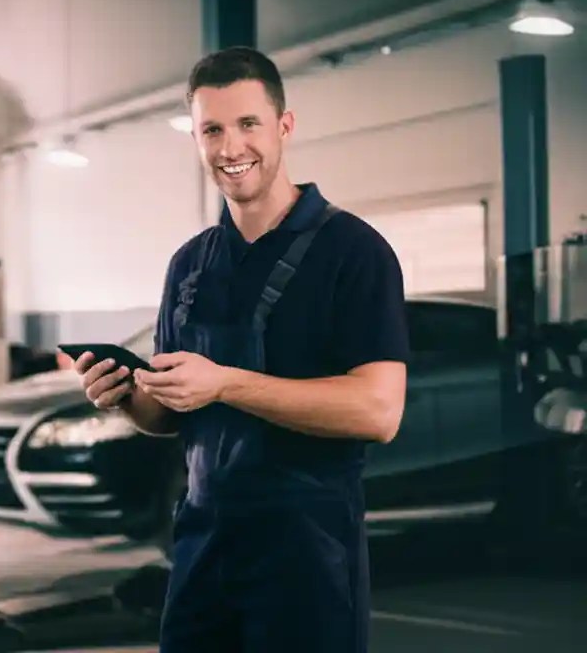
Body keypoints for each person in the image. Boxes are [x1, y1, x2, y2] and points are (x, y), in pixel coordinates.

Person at [74, 46, 410, 652]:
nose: (231, 148)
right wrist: (127, 396)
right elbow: (173, 413)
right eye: (212, 130)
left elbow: (378, 412)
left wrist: (226, 382)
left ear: (285, 125)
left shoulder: (354, 251)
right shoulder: (191, 264)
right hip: (204, 544)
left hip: (307, 553)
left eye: (248, 124)